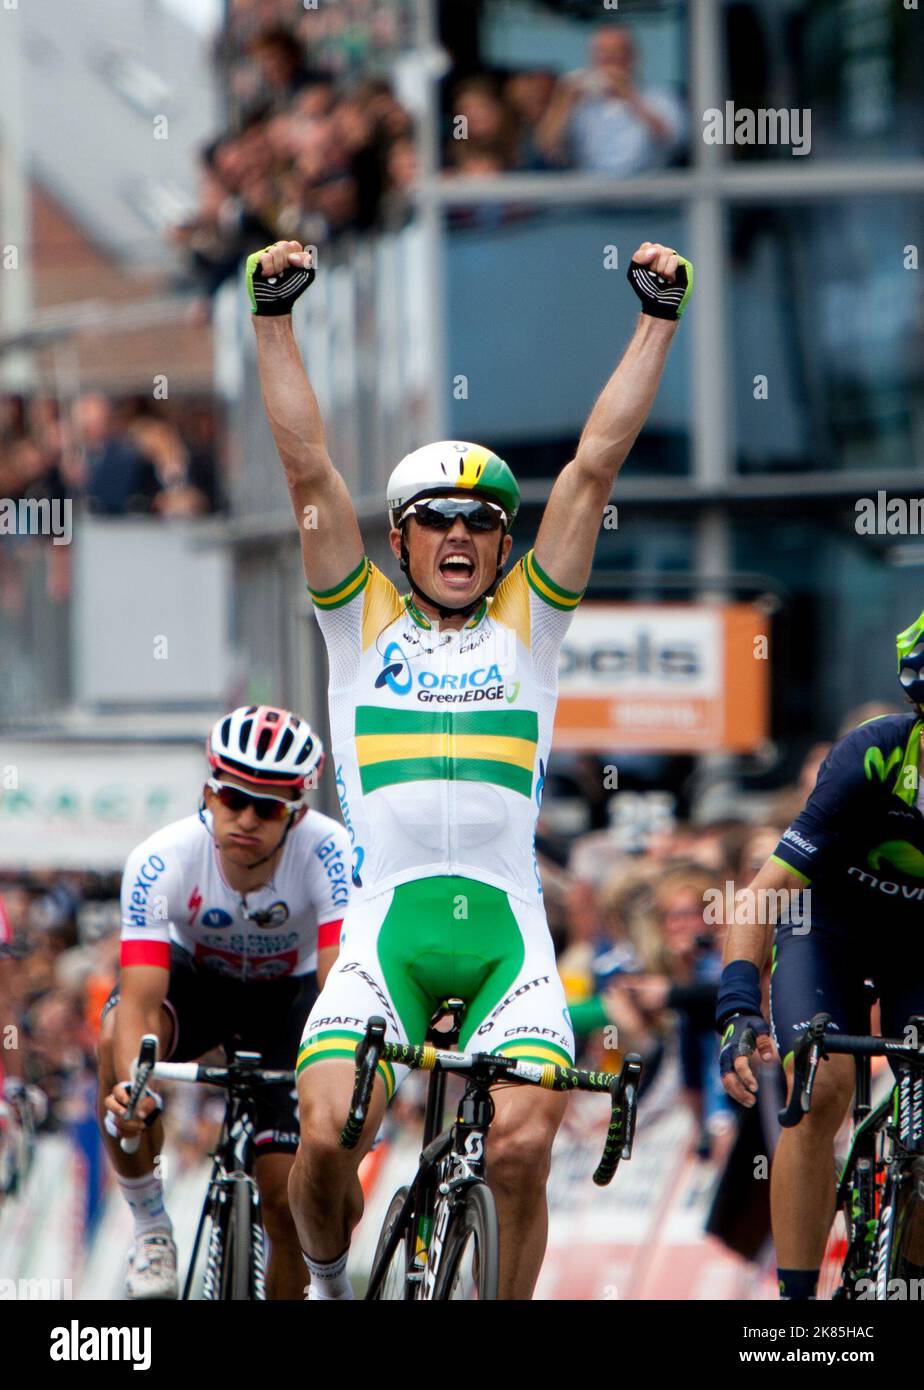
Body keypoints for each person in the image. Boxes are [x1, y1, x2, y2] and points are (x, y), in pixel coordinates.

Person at [247, 232, 693, 1299]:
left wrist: (655, 321)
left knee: (522, 1148)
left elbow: (595, 464)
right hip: (384, 931)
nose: (457, 533)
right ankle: (322, 1275)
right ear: (401, 542)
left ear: (503, 546)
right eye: (433, 520)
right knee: (322, 1134)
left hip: (508, 938)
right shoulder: (359, 625)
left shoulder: (530, 625)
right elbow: (307, 467)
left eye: (481, 522)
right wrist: (271, 320)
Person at [98, 705, 350, 1300]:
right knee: (115, 1041)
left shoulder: (331, 851)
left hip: (290, 998)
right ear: (207, 794)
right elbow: (140, 997)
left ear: (296, 813)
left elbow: (338, 982)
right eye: (231, 798)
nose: (244, 819)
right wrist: (138, 1089)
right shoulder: (161, 859)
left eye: (266, 808)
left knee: (287, 1198)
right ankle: (152, 1227)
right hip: (197, 985)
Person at [718, 612, 924, 1300]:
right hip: (827, 928)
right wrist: (738, 1005)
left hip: (918, 946)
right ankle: (798, 1307)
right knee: (820, 1086)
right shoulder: (871, 757)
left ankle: (911, 1279)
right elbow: (764, 894)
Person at [536, 25, 685, 176]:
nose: (607, 60)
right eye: (601, 54)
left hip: (646, 193)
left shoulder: (660, 97)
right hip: (588, 193)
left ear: (633, 57)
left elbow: (674, 140)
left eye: (615, 54)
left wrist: (631, 98)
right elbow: (547, 148)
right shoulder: (580, 103)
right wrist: (563, 104)